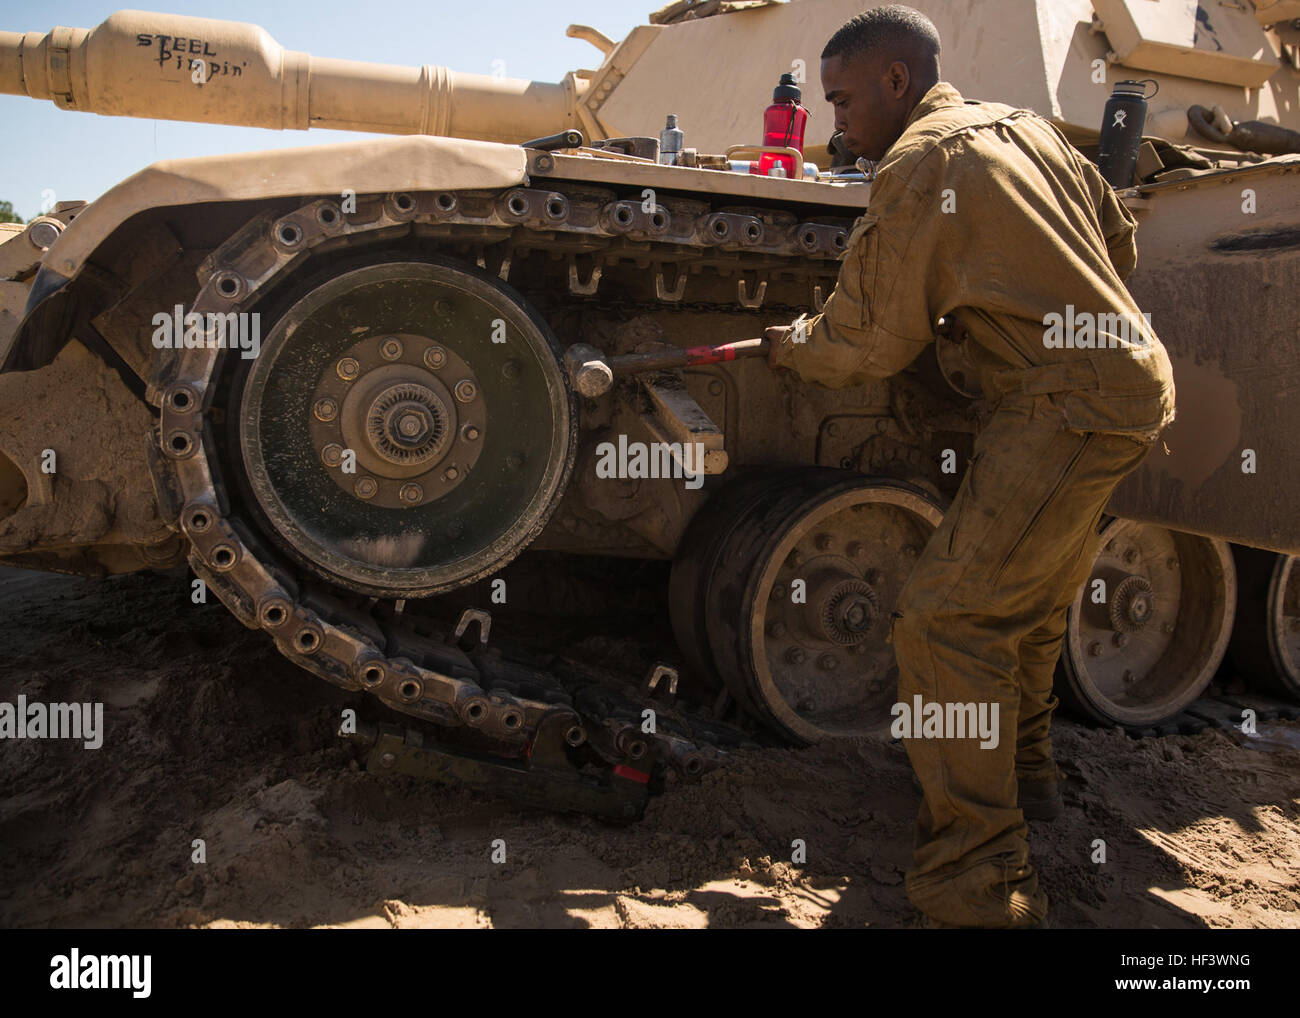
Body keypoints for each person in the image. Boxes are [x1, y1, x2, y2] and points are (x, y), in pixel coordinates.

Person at [765, 5, 1175, 928]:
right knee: (1022, 609)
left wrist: (790, 344)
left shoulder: (920, 162)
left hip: (1062, 404)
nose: (835, 125)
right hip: (1128, 383)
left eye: (840, 102)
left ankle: (976, 886)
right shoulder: (1025, 125)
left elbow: (866, 342)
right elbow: (1121, 242)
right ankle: (1029, 784)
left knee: (948, 623)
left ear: (895, 82)